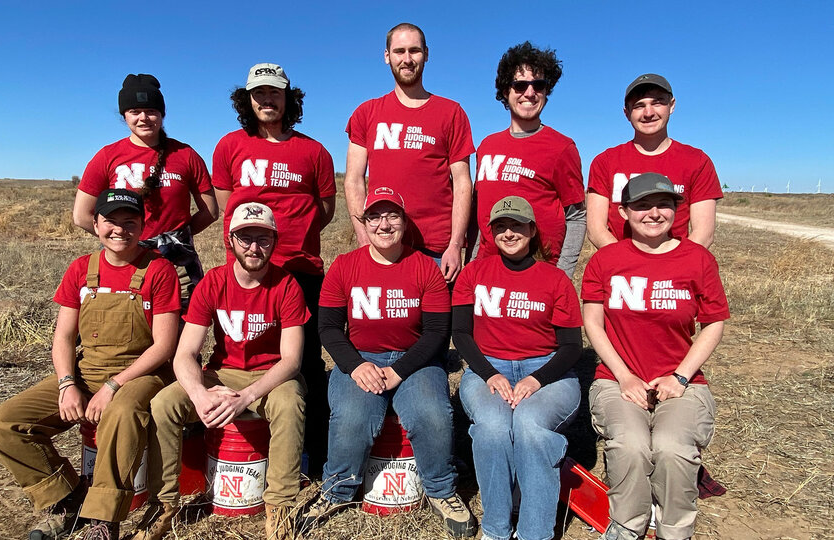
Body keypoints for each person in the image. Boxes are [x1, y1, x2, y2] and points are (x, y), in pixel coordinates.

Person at [0, 189, 180, 540]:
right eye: (110, 222)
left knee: (122, 413)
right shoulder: (80, 269)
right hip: (87, 372)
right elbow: (63, 338)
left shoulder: (159, 269)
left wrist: (113, 386)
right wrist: (67, 383)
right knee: (0, 426)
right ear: (95, 224)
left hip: (143, 374)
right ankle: (66, 498)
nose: (119, 230)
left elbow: (164, 347)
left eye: (129, 222)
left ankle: (104, 519)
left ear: (142, 225)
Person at [302, 187, 477, 538]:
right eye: (375, 217)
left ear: (405, 221)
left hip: (415, 361)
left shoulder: (425, 268)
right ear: (364, 223)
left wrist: (400, 370)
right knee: (353, 416)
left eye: (392, 215)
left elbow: (437, 333)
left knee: (432, 412)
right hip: (361, 358)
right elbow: (329, 328)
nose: (384, 224)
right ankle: (337, 490)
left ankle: (442, 490)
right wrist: (355, 366)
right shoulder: (344, 266)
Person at [132, 203, 309, 540]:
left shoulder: (287, 286)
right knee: (164, 404)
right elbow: (185, 353)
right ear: (230, 240)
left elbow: (291, 361)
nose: (254, 248)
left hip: (270, 376)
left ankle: (280, 506)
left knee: (290, 404)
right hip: (222, 372)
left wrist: (248, 396)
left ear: (275, 241)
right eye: (245, 238)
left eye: (263, 239)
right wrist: (199, 394)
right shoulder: (213, 282)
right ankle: (166, 502)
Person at [582, 173, 729, 540]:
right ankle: (626, 527)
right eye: (642, 205)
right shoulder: (605, 261)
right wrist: (625, 376)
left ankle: (674, 530)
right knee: (630, 446)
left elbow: (713, 324)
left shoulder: (697, 259)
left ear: (677, 210)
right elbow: (593, 324)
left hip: (683, 381)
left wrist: (679, 377)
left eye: (663, 204)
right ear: (625, 212)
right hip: (616, 379)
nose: (653, 213)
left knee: (671, 448)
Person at [212, 62, 336, 475]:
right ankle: (243, 447)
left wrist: (294, 234)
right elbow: (226, 205)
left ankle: (316, 455)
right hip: (246, 273)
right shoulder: (230, 146)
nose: (267, 100)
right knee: (242, 352)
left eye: (275, 93)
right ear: (248, 100)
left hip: (300, 271)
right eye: (259, 93)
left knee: (307, 363)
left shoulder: (314, 151)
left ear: (288, 97)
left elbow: (325, 209)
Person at [453, 195, 583, 540]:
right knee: (493, 427)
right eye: (501, 226)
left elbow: (572, 347)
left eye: (517, 225)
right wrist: (489, 373)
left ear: (532, 230)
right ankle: (496, 529)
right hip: (488, 366)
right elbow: (461, 333)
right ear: (491, 232)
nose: (509, 233)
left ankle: (534, 532)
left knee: (530, 425)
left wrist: (537, 380)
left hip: (547, 369)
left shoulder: (555, 280)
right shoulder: (475, 273)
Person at [344, 22, 474, 283]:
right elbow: (354, 180)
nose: (407, 59)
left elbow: (462, 182)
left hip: (437, 250)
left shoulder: (451, 113)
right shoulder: (366, 113)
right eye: (399, 51)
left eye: (414, 51)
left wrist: (455, 245)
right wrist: (362, 237)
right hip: (384, 243)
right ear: (386, 56)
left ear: (426, 53)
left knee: (437, 325)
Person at [74, 73, 217, 309]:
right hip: (124, 260)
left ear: (162, 114)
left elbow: (210, 211)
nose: (144, 118)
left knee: (183, 327)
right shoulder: (108, 156)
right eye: (135, 112)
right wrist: (119, 238)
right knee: (126, 325)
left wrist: (175, 239)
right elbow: (81, 215)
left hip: (177, 264)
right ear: (124, 116)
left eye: (151, 111)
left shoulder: (186, 155)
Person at [472, 42, 585, 278]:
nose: (530, 93)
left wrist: (561, 275)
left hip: (539, 274)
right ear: (506, 91)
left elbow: (576, 216)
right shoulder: (486, 146)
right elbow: (479, 217)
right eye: (520, 85)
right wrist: (471, 265)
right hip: (487, 273)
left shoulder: (562, 147)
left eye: (539, 85)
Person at [586, 74, 722, 250]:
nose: (648, 113)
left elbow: (703, 234)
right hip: (620, 270)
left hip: (676, 270)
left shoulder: (697, 161)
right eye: (639, 106)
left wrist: (672, 266)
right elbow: (596, 230)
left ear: (671, 105)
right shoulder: (604, 162)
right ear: (627, 113)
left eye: (657, 102)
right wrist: (625, 262)